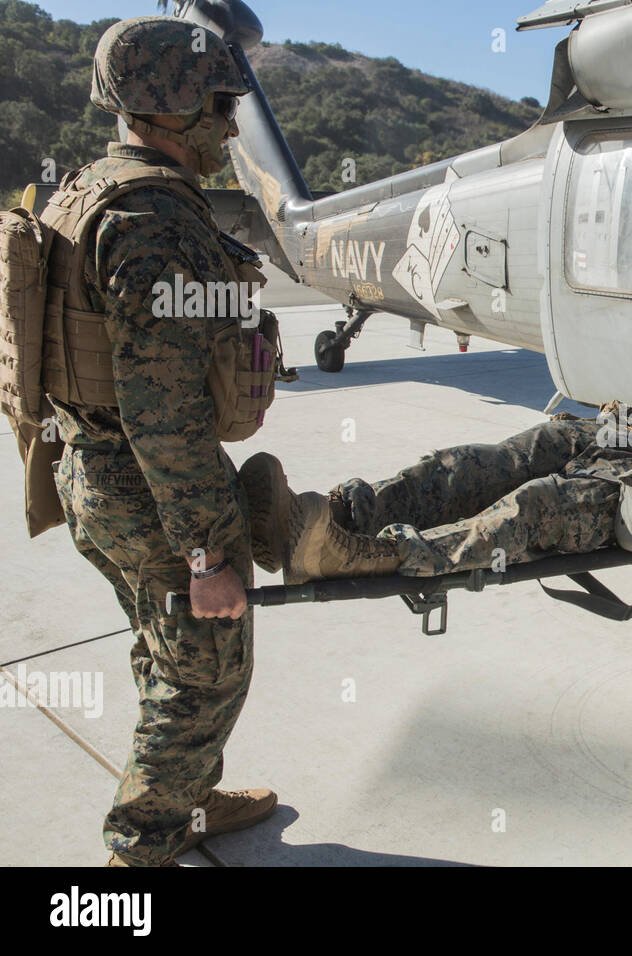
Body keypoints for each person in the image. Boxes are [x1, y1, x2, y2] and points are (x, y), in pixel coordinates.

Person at [45, 16, 277, 865]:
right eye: (221, 103)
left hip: (89, 471)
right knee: (206, 671)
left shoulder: (89, 189)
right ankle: (141, 850)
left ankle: (191, 793)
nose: (232, 122)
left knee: (162, 646)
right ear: (173, 106)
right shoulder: (150, 220)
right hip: (151, 489)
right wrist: (206, 556)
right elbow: (163, 410)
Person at [239, 364, 632, 632]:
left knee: (525, 512)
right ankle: (321, 518)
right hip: (607, 438)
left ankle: (355, 554)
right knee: (466, 468)